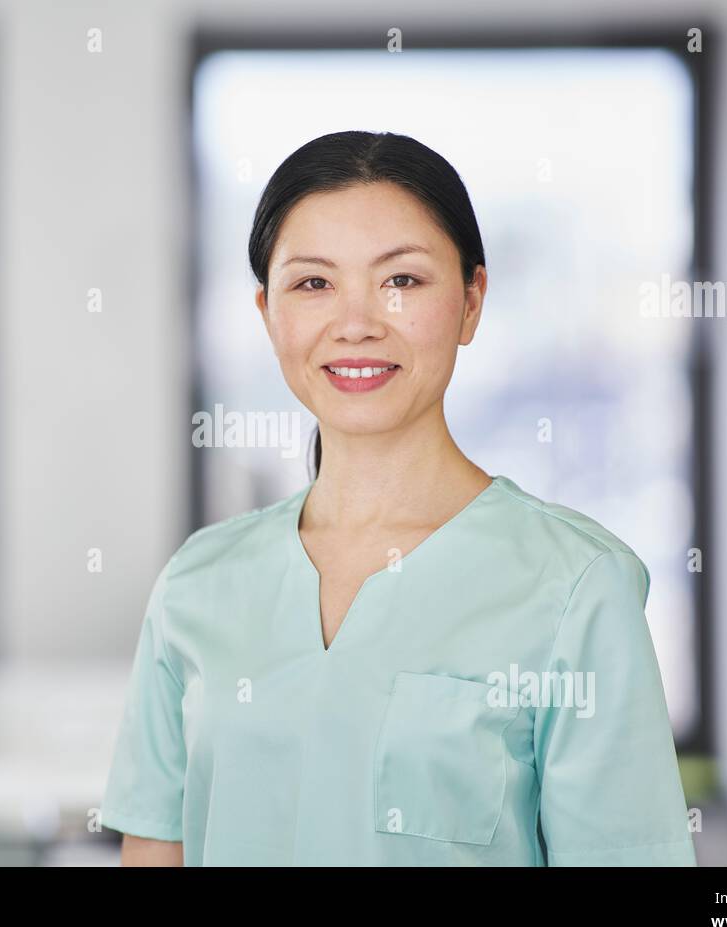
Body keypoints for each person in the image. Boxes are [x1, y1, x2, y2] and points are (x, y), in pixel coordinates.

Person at [100, 130, 696, 866]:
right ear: (267, 314)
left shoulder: (576, 588)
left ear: (471, 302)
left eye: (402, 282)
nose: (356, 323)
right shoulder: (197, 584)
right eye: (313, 283)